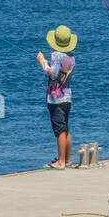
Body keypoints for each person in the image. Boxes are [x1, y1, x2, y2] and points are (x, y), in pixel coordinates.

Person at [37, 25, 77, 170]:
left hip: (56, 99)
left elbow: (53, 75)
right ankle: (68, 160)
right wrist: (49, 64)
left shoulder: (56, 55)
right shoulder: (71, 56)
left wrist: (42, 61)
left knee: (59, 130)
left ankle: (60, 162)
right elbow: (60, 72)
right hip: (67, 97)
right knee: (65, 129)